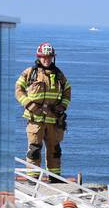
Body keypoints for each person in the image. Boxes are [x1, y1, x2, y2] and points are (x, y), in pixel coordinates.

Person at [15, 42, 71, 179]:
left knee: (55, 150)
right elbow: (18, 90)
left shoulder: (59, 75)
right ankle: (33, 179)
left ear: (53, 58)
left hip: (54, 121)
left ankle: (55, 178)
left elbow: (67, 90)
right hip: (35, 121)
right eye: (44, 57)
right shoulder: (30, 73)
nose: (46, 59)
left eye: (49, 57)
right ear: (39, 57)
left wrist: (62, 106)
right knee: (34, 150)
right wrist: (29, 104)